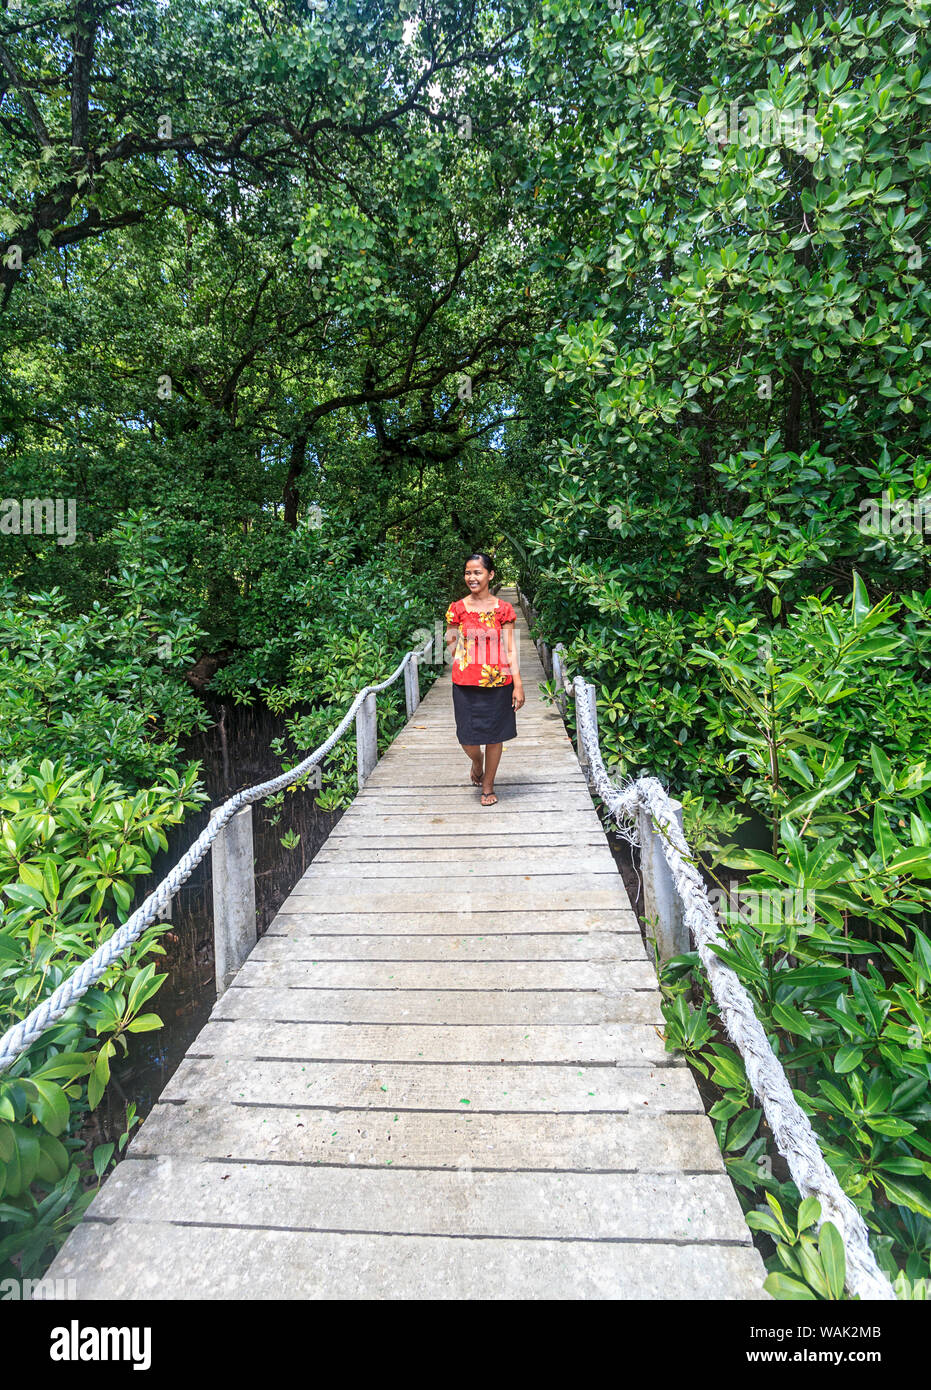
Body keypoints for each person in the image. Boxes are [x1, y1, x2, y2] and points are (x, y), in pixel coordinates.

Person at [444, 552, 524, 806]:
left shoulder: (504, 609)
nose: (472, 577)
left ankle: (488, 786)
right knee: (466, 737)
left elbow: (511, 648)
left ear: (490, 575)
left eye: (477, 572)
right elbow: (450, 643)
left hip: (498, 682)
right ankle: (476, 761)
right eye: (468, 572)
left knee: (494, 735)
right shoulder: (456, 608)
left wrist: (518, 685)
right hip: (465, 682)